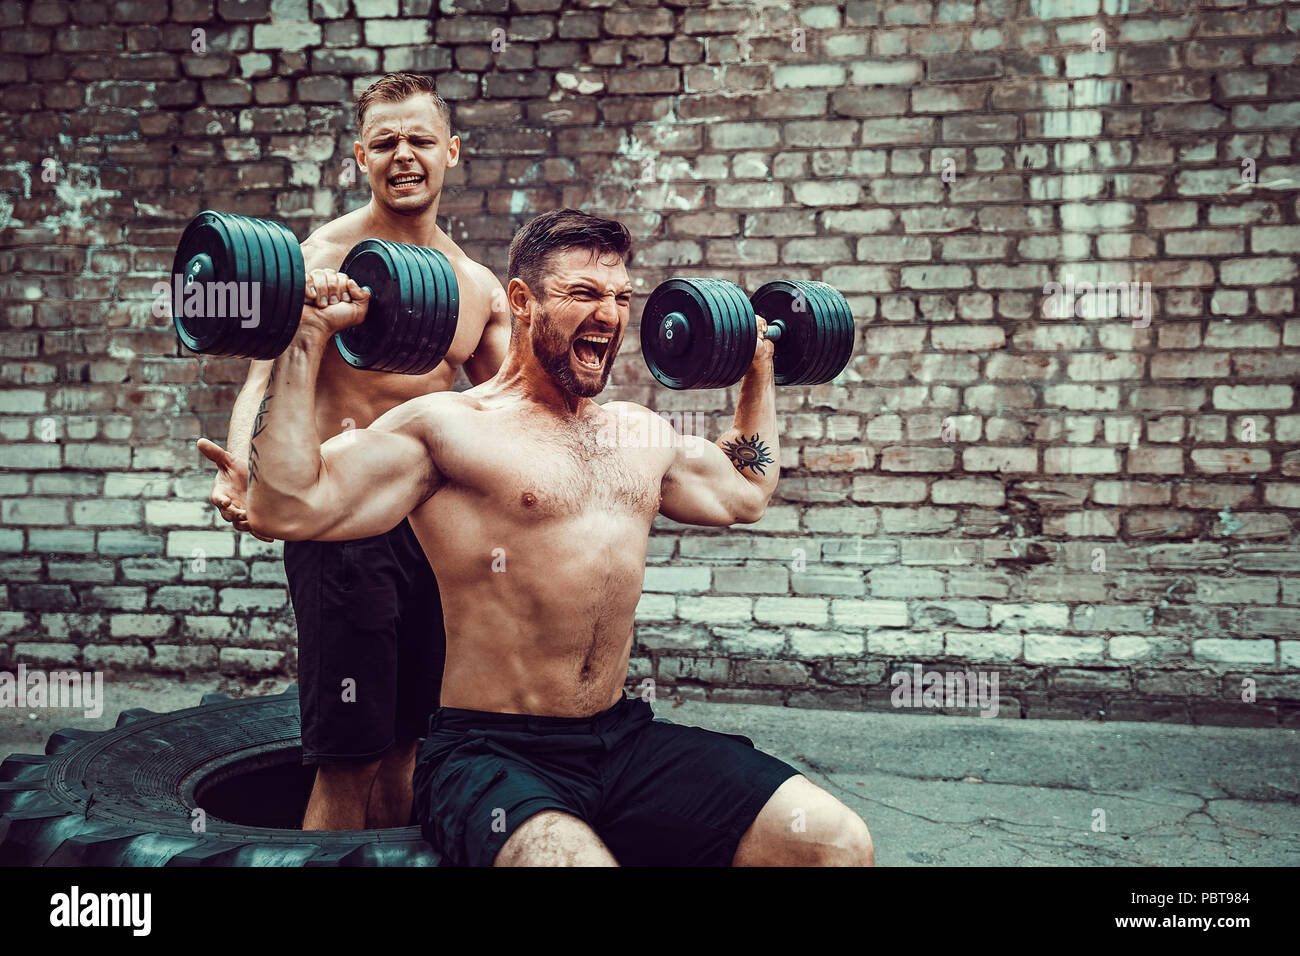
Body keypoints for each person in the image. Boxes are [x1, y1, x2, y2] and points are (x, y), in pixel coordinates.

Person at [244, 208, 874, 866]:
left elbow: (745, 489)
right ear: (521, 300)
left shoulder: (638, 435)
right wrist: (306, 336)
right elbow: (288, 505)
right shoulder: (447, 428)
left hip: (622, 743)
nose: (609, 313)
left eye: (620, 297)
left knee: (834, 842)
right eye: (583, 294)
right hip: (490, 757)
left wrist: (759, 367)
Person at [196, 73, 511, 831]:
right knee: (349, 756)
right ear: (360, 159)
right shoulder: (316, 258)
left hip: (437, 539)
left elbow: (513, 415)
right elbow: (260, 383)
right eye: (386, 143)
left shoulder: (478, 287)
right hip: (343, 531)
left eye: (421, 140)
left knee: (412, 744)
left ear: (452, 152)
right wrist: (246, 471)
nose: (405, 156)